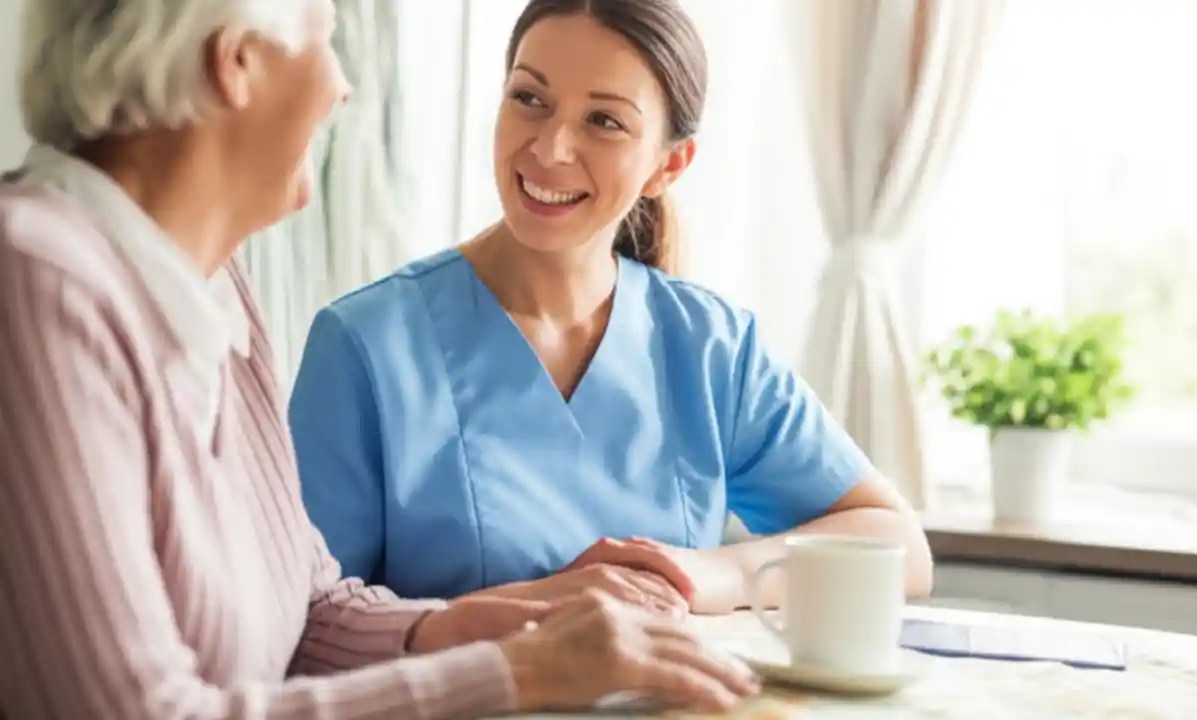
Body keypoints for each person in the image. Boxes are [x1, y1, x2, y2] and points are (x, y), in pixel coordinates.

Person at [0, 0, 758, 716]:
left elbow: (309, 610)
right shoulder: (37, 282)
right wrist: (518, 673)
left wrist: (517, 622)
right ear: (235, 63)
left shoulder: (212, 284)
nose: (342, 87)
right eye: (324, 39)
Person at [290, 0, 934, 618]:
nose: (550, 149)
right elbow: (309, 622)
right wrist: (544, 608)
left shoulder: (709, 347)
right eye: (529, 100)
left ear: (669, 164)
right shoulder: (365, 345)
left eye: (603, 121)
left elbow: (899, 548)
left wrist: (721, 573)